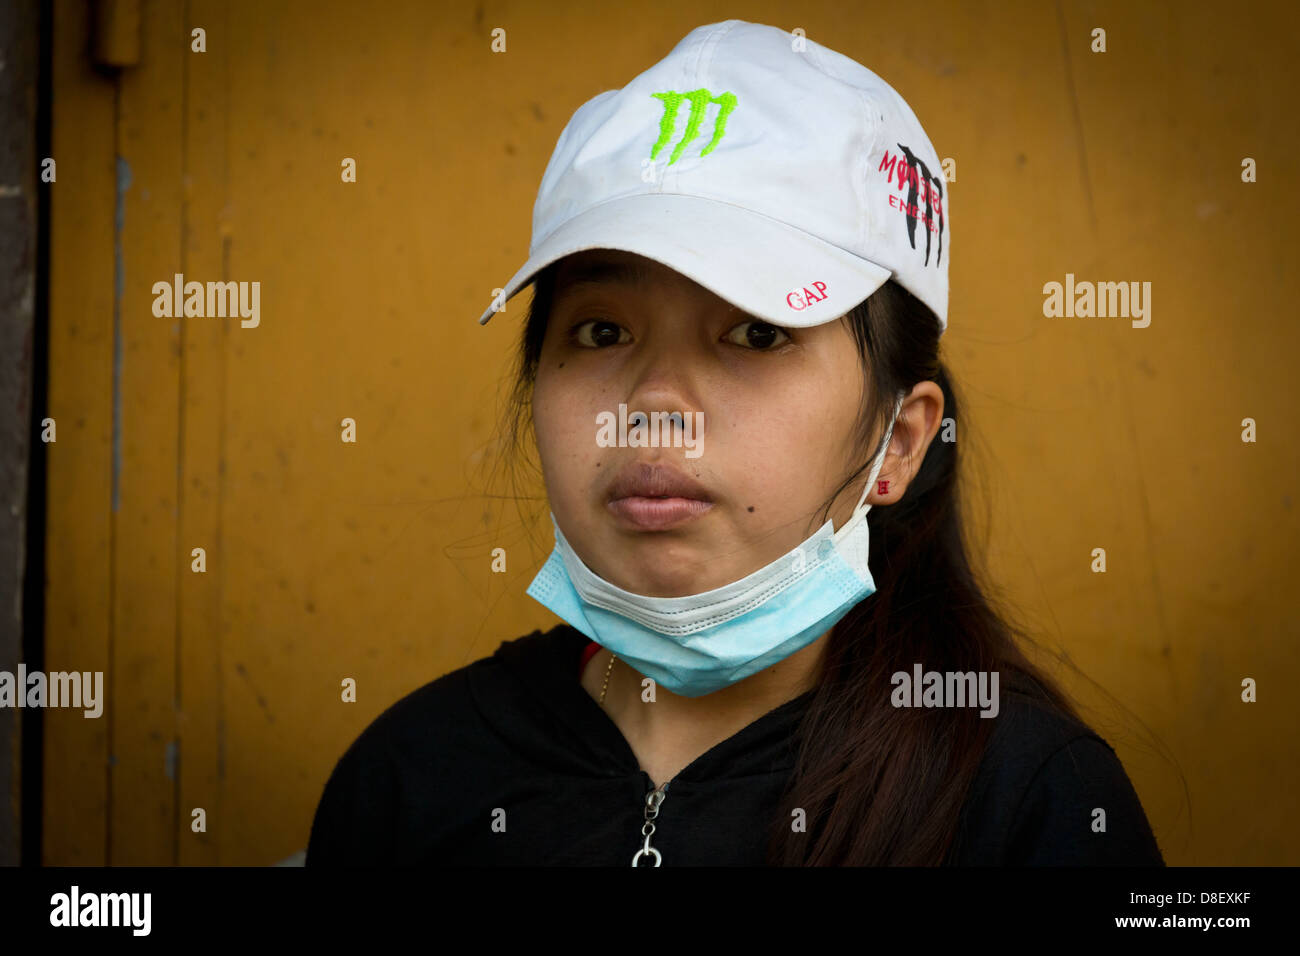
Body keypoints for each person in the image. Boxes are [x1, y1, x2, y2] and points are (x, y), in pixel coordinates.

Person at [307, 19, 1164, 866]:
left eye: (756, 334)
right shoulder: (409, 781)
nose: (653, 405)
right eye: (602, 332)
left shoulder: (1030, 806)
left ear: (898, 441)